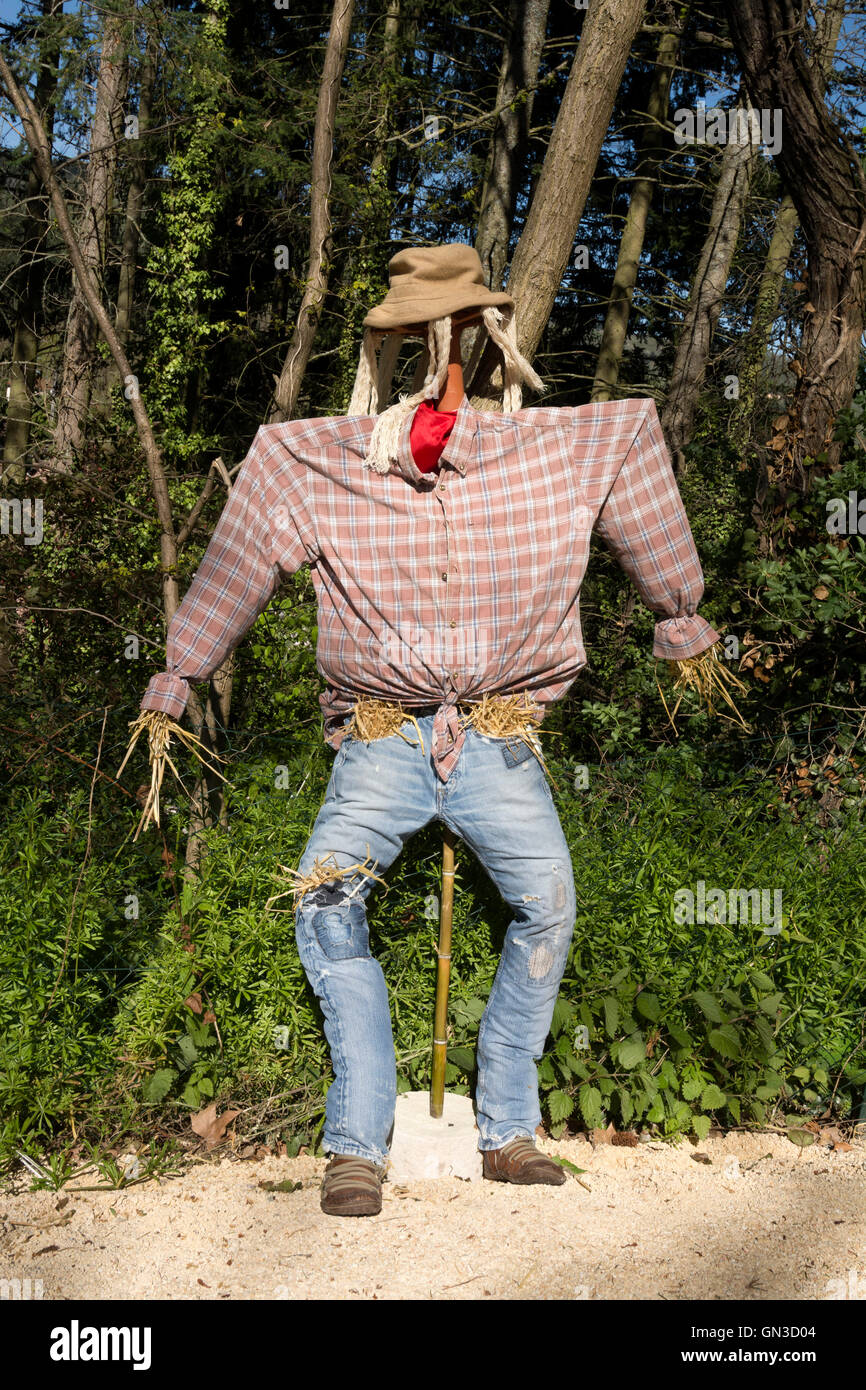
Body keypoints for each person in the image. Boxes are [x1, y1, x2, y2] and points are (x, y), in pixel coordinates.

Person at [135, 243, 723, 1217]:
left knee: (547, 902)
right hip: (379, 737)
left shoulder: (549, 449)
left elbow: (628, 438)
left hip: (496, 735)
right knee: (324, 903)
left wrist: (676, 608)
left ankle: (506, 1126)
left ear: (479, 343)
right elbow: (243, 546)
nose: (435, 356)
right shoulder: (319, 458)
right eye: (416, 341)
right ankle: (355, 1139)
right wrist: (180, 669)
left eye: (446, 339)